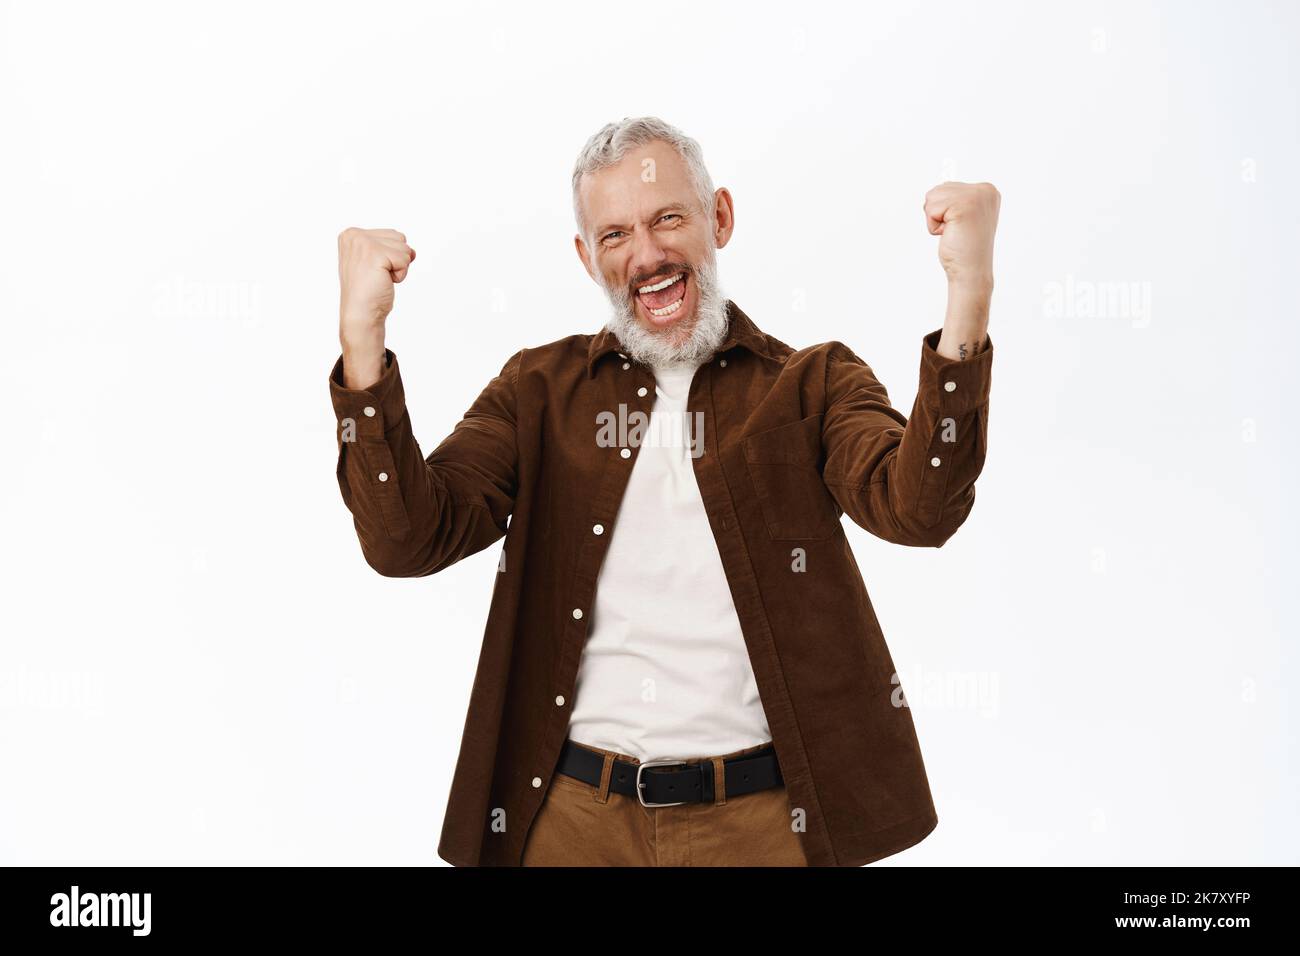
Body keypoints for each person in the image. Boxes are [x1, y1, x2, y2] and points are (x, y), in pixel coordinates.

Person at [327, 116, 998, 866]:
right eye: (614, 235)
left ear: (720, 218)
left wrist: (966, 296)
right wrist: (363, 343)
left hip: (766, 827)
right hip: (573, 824)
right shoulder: (538, 391)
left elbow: (920, 510)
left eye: (667, 218)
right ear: (588, 258)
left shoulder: (812, 383)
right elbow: (405, 540)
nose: (646, 255)